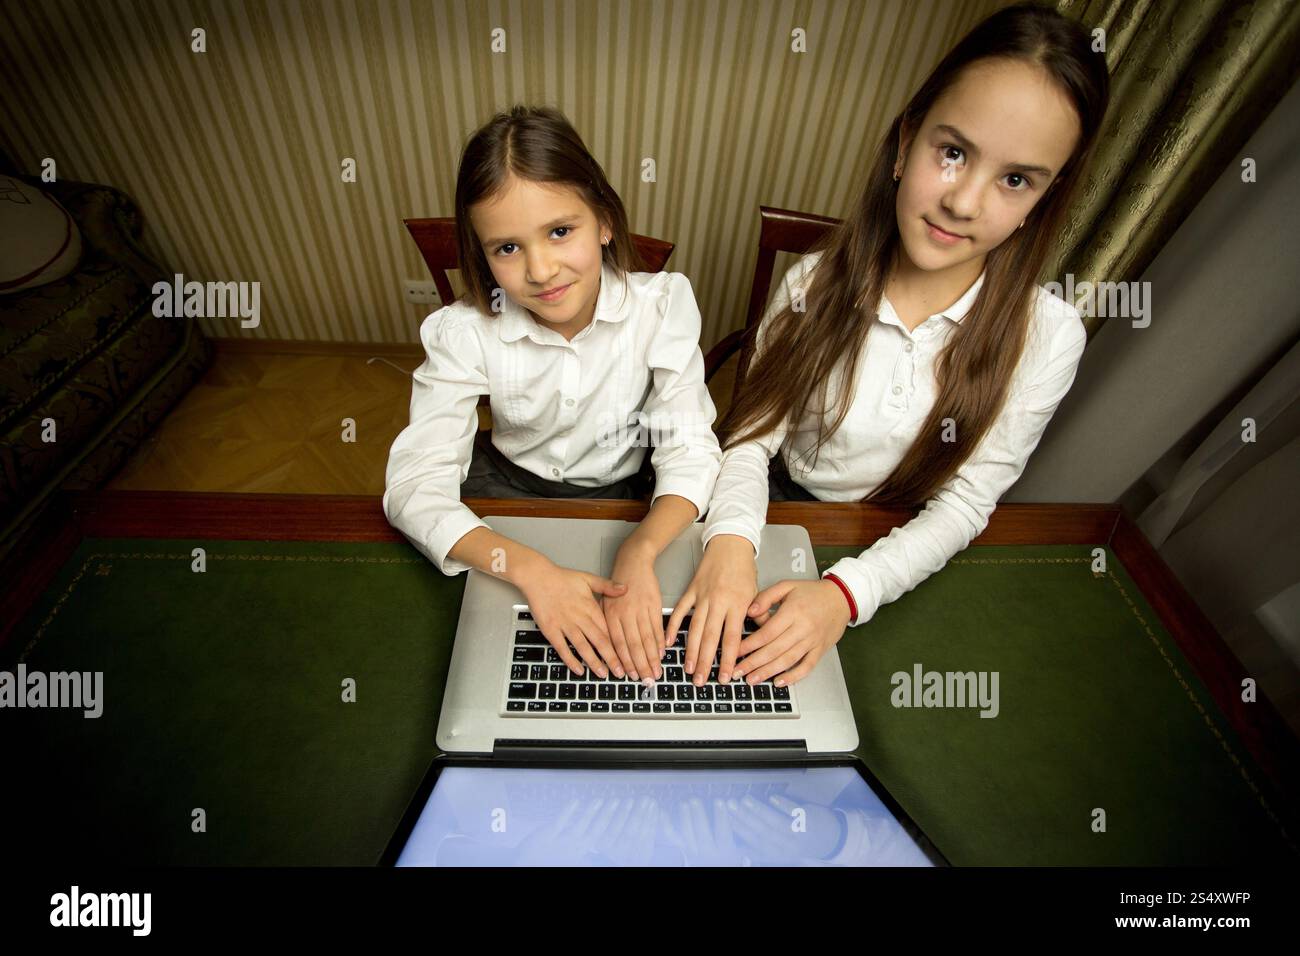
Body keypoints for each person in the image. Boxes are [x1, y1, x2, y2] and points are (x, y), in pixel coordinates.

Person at [669, 3, 1111, 690]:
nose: (965, 202)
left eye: (1015, 179)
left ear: (1042, 202)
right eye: (954, 152)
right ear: (905, 144)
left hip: (891, 543)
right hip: (773, 504)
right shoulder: (812, 281)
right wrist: (729, 544)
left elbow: (964, 506)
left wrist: (844, 597)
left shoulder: (1050, 339)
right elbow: (752, 439)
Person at [384, 106, 722, 685]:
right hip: (506, 488)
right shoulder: (462, 330)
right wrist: (530, 571)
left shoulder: (662, 306)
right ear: (482, 253)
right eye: (507, 249)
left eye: (560, 231)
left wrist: (640, 551)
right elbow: (413, 486)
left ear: (605, 222)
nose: (540, 270)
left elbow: (689, 449)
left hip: (627, 493)